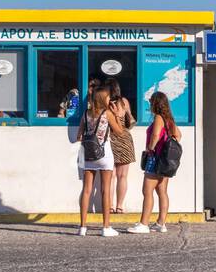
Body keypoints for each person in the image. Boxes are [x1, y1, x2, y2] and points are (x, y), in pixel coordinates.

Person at [76, 86, 125, 237]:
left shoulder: (85, 114)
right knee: (105, 190)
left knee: (86, 190)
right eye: (108, 97)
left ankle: (83, 227)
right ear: (104, 99)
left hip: (88, 155)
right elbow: (120, 132)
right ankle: (106, 227)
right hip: (104, 155)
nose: (110, 99)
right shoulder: (108, 113)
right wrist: (117, 115)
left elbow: (79, 136)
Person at [126, 92, 178, 234]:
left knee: (147, 191)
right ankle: (161, 223)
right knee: (162, 192)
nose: (149, 105)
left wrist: (150, 147)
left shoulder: (159, 118)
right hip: (165, 160)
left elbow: (155, 135)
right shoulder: (169, 119)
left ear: (156, 103)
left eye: (151, 102)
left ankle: (144, 224)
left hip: (155, 157)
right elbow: (178, 135)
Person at [105, 77, 136, 213]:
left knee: (110, 176)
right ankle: (120, 206)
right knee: (122, 176)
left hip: (110, 140)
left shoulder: (104, 104)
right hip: (124, 139)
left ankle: (109, 206)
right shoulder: (124, 102)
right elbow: (132, 122)